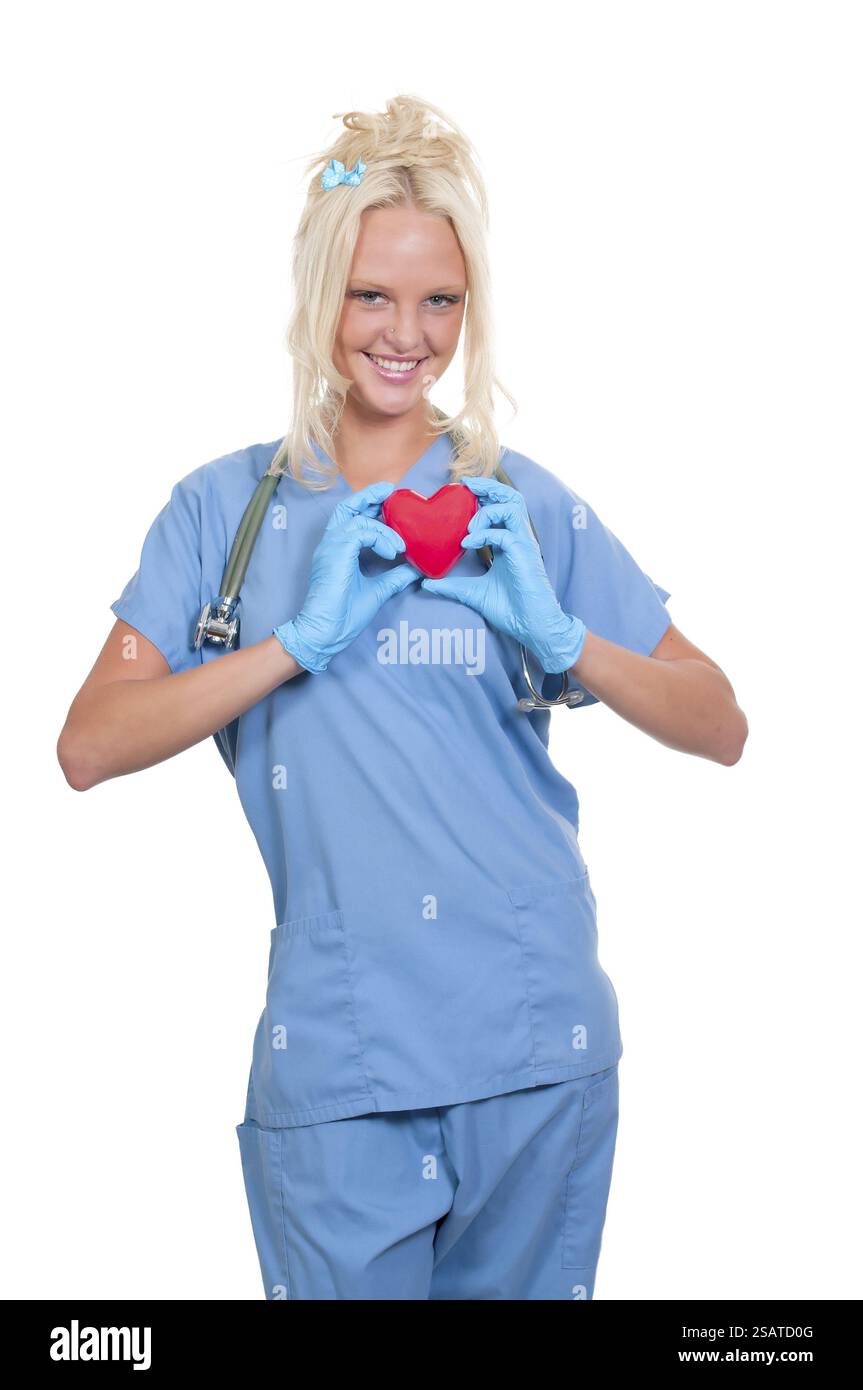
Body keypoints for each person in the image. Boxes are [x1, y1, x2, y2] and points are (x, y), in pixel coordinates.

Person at [57, 94, 748, 1301]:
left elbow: (718, 720)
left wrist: (562, 633)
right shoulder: (226, 513)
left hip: (534, 1050)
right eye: (370, 294)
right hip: (338, 1065)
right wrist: (294, 643)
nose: (405, 335)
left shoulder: (518, 507)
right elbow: (87, 745)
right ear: (316, 294)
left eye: (440, 301)